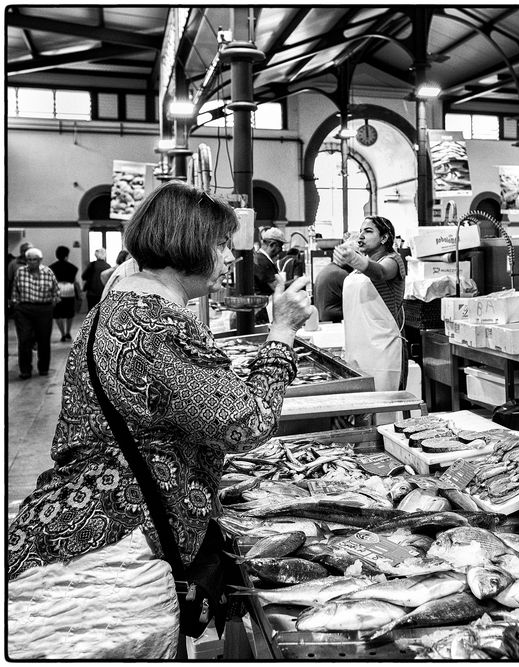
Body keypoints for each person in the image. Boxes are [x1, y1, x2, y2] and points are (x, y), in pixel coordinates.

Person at [6, 181, 313, 659]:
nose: (229, 257)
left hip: (96, 525)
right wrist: (282, 334)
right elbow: (246, 422)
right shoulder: (151, 320)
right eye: (221, 244)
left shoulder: (125, 299)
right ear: (187, 244)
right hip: (117, 549)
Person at [333, 215, 407, 391]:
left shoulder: (393, 260)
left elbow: (380, 273)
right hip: (357, 348)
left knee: (383, 412)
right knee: (363, 411)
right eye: (360, 231)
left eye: (368, 231)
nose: (360, 236)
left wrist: (356, 259)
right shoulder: (359, 270)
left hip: (383, 353)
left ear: (384, 237)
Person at [10, 247, 60, 379]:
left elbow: (56, 291)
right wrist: (16, 304)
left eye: (34, 260)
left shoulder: (47, 272)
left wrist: (51, 304)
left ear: (40, 260)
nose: (31, 262)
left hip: (43, 309)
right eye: (29, 260)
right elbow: (14, 289)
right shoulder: (21, 272)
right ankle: (25, 370)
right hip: (24, 309)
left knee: (43, 340)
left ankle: (43, 368)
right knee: (24, 339)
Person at [253, 226, 286, 325]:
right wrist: (297, 282)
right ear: (272, 244)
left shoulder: (260, 259)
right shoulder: (263, 261)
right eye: (280, 246)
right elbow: (277, 287)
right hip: (262, 311)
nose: (281, 250)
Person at [49, 245, 81, 342]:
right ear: (67, 255)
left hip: (57, 291)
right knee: (69, 313)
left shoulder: (51, 267)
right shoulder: (73, 267)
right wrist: (79, 293)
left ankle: (62, 334)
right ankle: (68, 332)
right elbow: (75, 282)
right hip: (69, 290)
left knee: (57, 314)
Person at [81, 247, 111, 311]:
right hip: (103, 292)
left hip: (92, 293)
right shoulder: (108, 266)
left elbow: (83, 277)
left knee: (91, 311)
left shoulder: (92, 265)